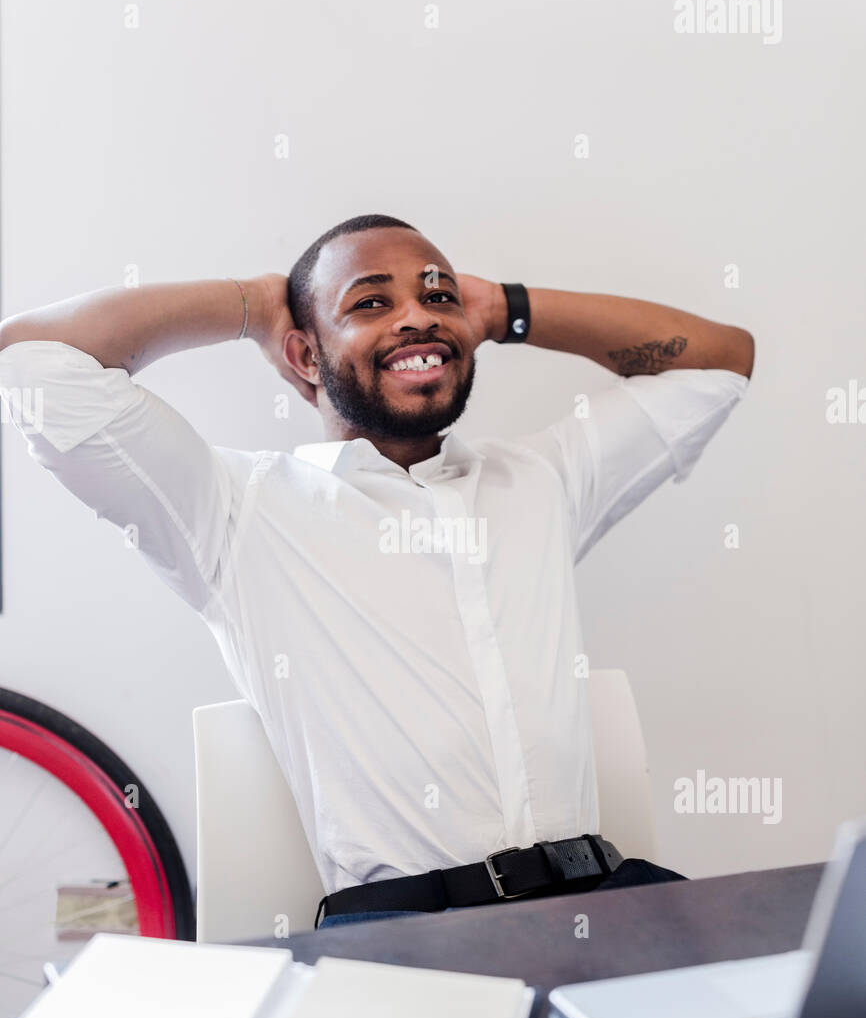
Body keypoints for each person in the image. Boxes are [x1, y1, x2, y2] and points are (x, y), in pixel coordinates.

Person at [0, 214, 754, 928]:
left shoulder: (541, 480)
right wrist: (258, 303)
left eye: (438, 296)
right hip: (406, 935)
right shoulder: (232, 510)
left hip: (607, 902)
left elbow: (720, 359)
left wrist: (500, 308)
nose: (417, 316)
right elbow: (31, 363)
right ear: (303, 355)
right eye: (370, 302)